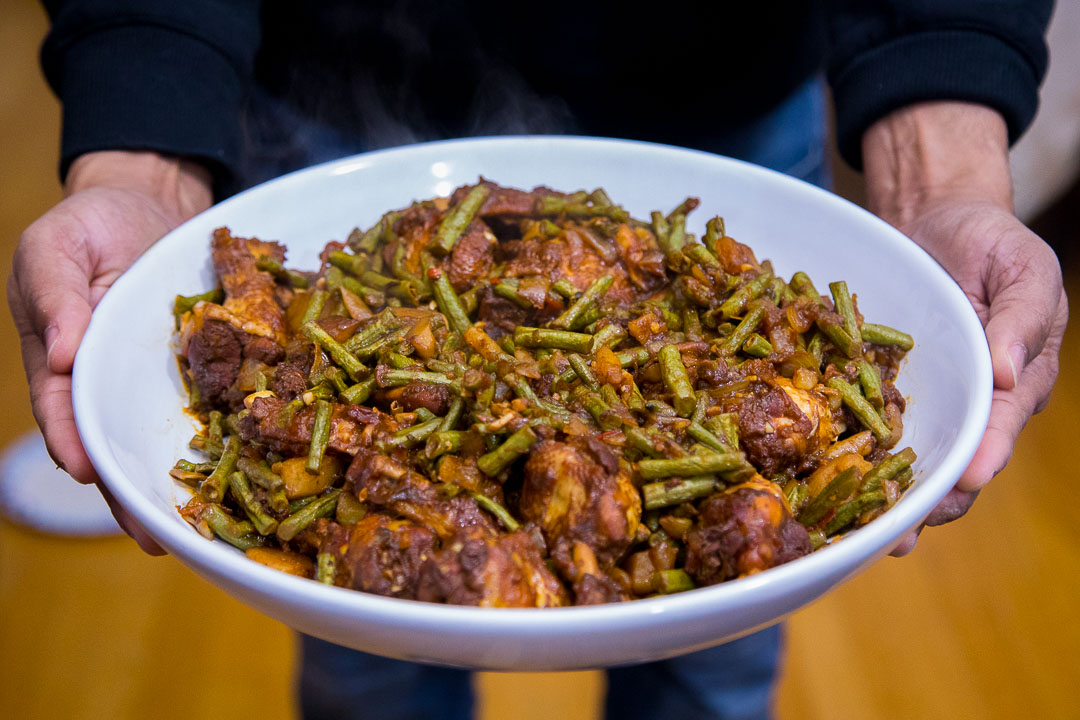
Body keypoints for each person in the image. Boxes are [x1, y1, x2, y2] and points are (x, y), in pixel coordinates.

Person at [9, 2, 1066, 719]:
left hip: (724, 80)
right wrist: (141, 148)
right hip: (317, 84)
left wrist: (943, 176)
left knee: (723, 637)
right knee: (368, 649)